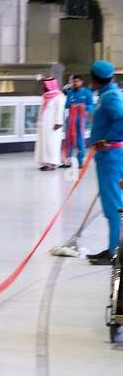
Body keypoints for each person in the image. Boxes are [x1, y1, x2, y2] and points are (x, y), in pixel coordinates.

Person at [85, 60, 123, 265]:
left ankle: (115, 253)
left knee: (114, 206)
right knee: (112, 205)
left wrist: (108, 140)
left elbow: (122, 119)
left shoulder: (110, 97)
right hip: (108, 157)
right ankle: (111, 248)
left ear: (93, 79)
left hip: (111, 158)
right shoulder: (108, 94)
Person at [63, 73, 94, 168]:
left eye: (77, 81)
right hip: (71, 120)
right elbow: (67, 105)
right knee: (69, 139)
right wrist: (72, 105)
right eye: (74, 81)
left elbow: (91, 106)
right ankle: (68, 161)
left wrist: (84, 107)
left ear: (81, 82)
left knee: (80, 140)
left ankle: (80, 161)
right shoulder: (70, 93)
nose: (75, 83)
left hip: (81, 120)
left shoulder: (87, 92)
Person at [35, 76, 65, 171]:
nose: (43, 87)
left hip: (53, 125)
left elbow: (59, 110)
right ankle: (46, 162)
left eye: (44, 85)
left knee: (51, 144)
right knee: (44, 143)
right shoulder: (45, 96)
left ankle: (52, 163)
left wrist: (58, 122)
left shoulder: (59, 96)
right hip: (44, 125)